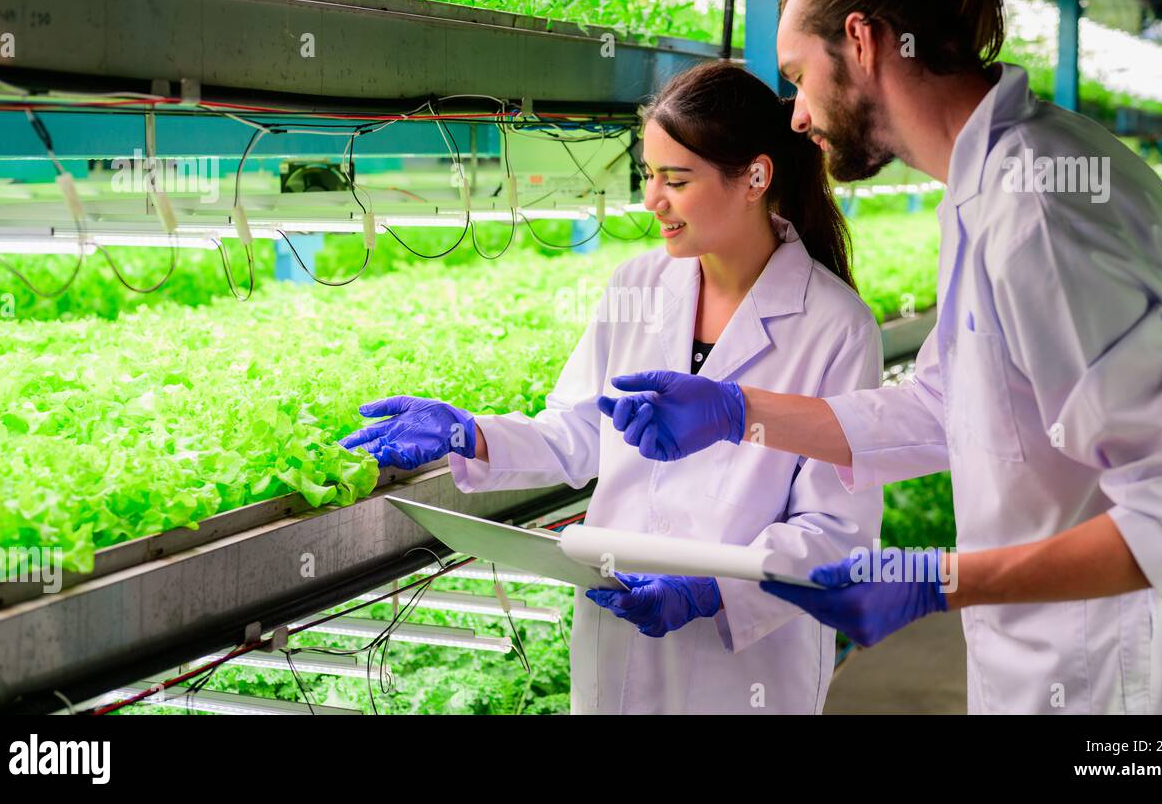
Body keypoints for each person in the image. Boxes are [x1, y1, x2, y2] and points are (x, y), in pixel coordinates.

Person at [597, 0, 1162, 714]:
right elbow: (945, 409)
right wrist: (740, 412)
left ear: (864, 42)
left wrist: (940, 582)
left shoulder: (1039, 209)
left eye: (800, 77)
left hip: (1126, 684)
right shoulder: (987, 189)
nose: (798, 115)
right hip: (1051, 663)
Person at [340, 61, 883, 714]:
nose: (653, 200)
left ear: (755, 177)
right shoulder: (639, 286)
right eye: (649, 176)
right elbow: (579, 430)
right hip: (618, 623)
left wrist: (711, 589)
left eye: (676, 180)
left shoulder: (834, 327)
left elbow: (837, 530)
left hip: (747, 661)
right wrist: (470, 432)